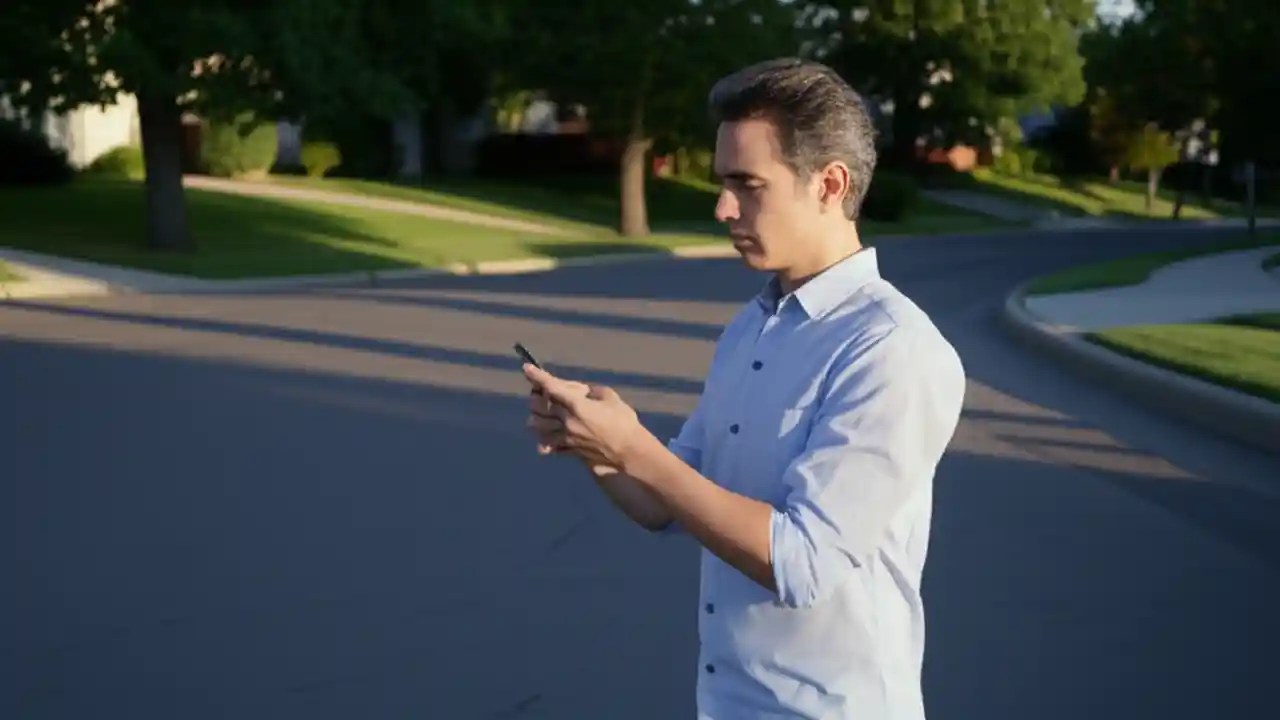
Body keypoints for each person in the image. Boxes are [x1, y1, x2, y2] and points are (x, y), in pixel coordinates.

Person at [523, 58, 966, 719]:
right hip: (729, 702)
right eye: (722, 182)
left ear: (830, 184)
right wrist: (595, 445)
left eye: (747, 184)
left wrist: (636, 448)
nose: (722, 206)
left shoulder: (893, 349)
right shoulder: (753, 326)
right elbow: (667, 502)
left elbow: (802, 563)